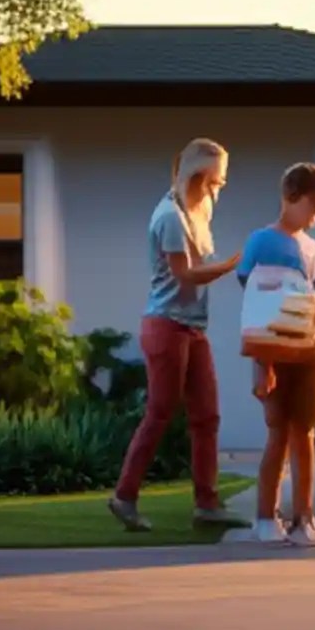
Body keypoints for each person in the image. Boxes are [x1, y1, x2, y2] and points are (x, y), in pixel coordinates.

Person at [109, 138, 242, 532]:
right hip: (166, 325)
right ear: (198, 175)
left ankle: (207, 504)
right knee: (161, 411)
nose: (219, 187)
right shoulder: (169, 216)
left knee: (207, 415)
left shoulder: (202, 208)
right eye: (216, 180)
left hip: (193, 327)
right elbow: (185, 274)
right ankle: (124, 496)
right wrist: (232, 265)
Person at [239, 162, 315, 546]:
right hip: (274, 348)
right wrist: (263, 363)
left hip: (308, 348)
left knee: (306, 433)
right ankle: (266, 517)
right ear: (291, 196)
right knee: (278, 433)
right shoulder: (263, 242)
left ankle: (305, 518)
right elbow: (258, 305)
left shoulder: (314, 249)